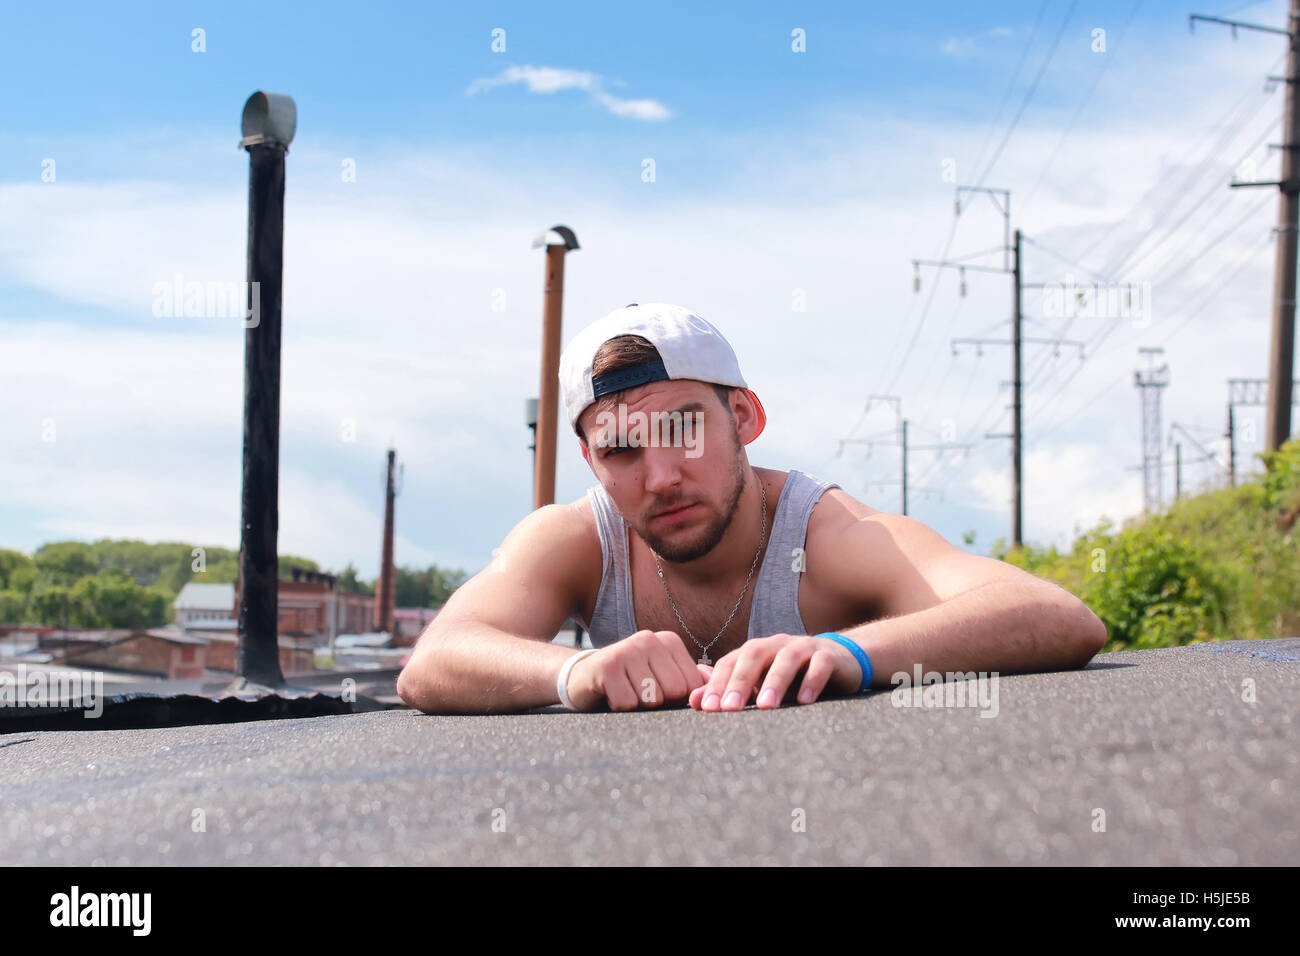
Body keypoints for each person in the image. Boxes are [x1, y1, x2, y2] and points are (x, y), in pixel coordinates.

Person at [396, 303, 1107, 715]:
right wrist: (574, 672)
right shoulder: (580, 538)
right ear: (591, 460)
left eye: (684, 429)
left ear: (744, 415)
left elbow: (1055, 617)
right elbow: (431, 664)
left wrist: (847, 652)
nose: (661, 477)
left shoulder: (826, 533)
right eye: (622, 453)